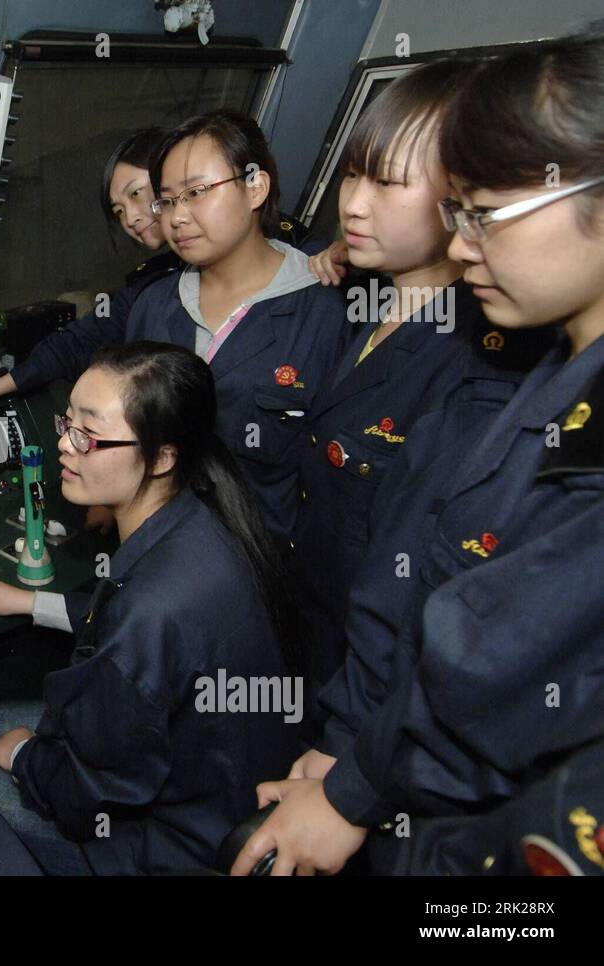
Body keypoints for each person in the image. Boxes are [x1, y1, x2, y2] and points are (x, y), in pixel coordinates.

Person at [230, 30, 604, 875]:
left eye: (482, 213)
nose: (463, 240)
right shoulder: (551, 367)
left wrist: (351, 781)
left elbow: (467, 636)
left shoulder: (495, 376)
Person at [0, 342, 300, 874]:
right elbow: (127, 623)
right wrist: (31, 602)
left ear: (162, 457)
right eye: (67, 422)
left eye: (87, 433)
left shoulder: (152, 610)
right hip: (215, 778)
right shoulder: (200, 518)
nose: (64, 444)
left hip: (166, 846)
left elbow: (92, 800)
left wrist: (24, 758)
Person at [0, 125, 318, 536]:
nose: (136, 218)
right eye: (120, 211)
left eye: (139, 195)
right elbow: (79, 342)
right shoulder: (152, 298)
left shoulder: (320, 292)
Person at [290, 57, 502, 691]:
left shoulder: (471, 366)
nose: (352, 203)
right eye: (352, 174)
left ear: (463, 199)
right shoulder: (370, 298)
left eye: (387, 184)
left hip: (354, 675)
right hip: (305, 629)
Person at [82, 111, 347, 539]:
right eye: (167, 201)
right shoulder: (153, 306)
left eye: (197, 192)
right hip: (154, 542)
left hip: (258, 559)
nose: (177, 217)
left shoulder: (322, 313)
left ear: (255, 187)